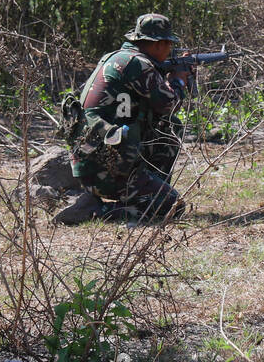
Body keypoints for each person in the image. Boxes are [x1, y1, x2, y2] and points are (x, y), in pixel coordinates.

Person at [60, 14, 190, 225]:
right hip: (106, 170)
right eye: (168, 44)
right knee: (173, 207)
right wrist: (179, 82)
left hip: (93, 164)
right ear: (158, 44)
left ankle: (150, 190)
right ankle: (99, 210)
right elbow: (169, 104)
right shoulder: (138, 64)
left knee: (169, 126)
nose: (169, 51)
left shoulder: (117, 58)